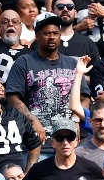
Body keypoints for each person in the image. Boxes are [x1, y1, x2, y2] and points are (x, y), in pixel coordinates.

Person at [6, 12, 88, 149]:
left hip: (69, 141)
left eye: (55, 33)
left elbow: (84, 97)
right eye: (46, 33)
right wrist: (33, 120)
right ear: (37, 36)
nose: (51, 37)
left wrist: (76, 119)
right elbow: (12, 98)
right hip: (38, 142)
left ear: (60, 36)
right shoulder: (24, 62)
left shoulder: (72, 63)